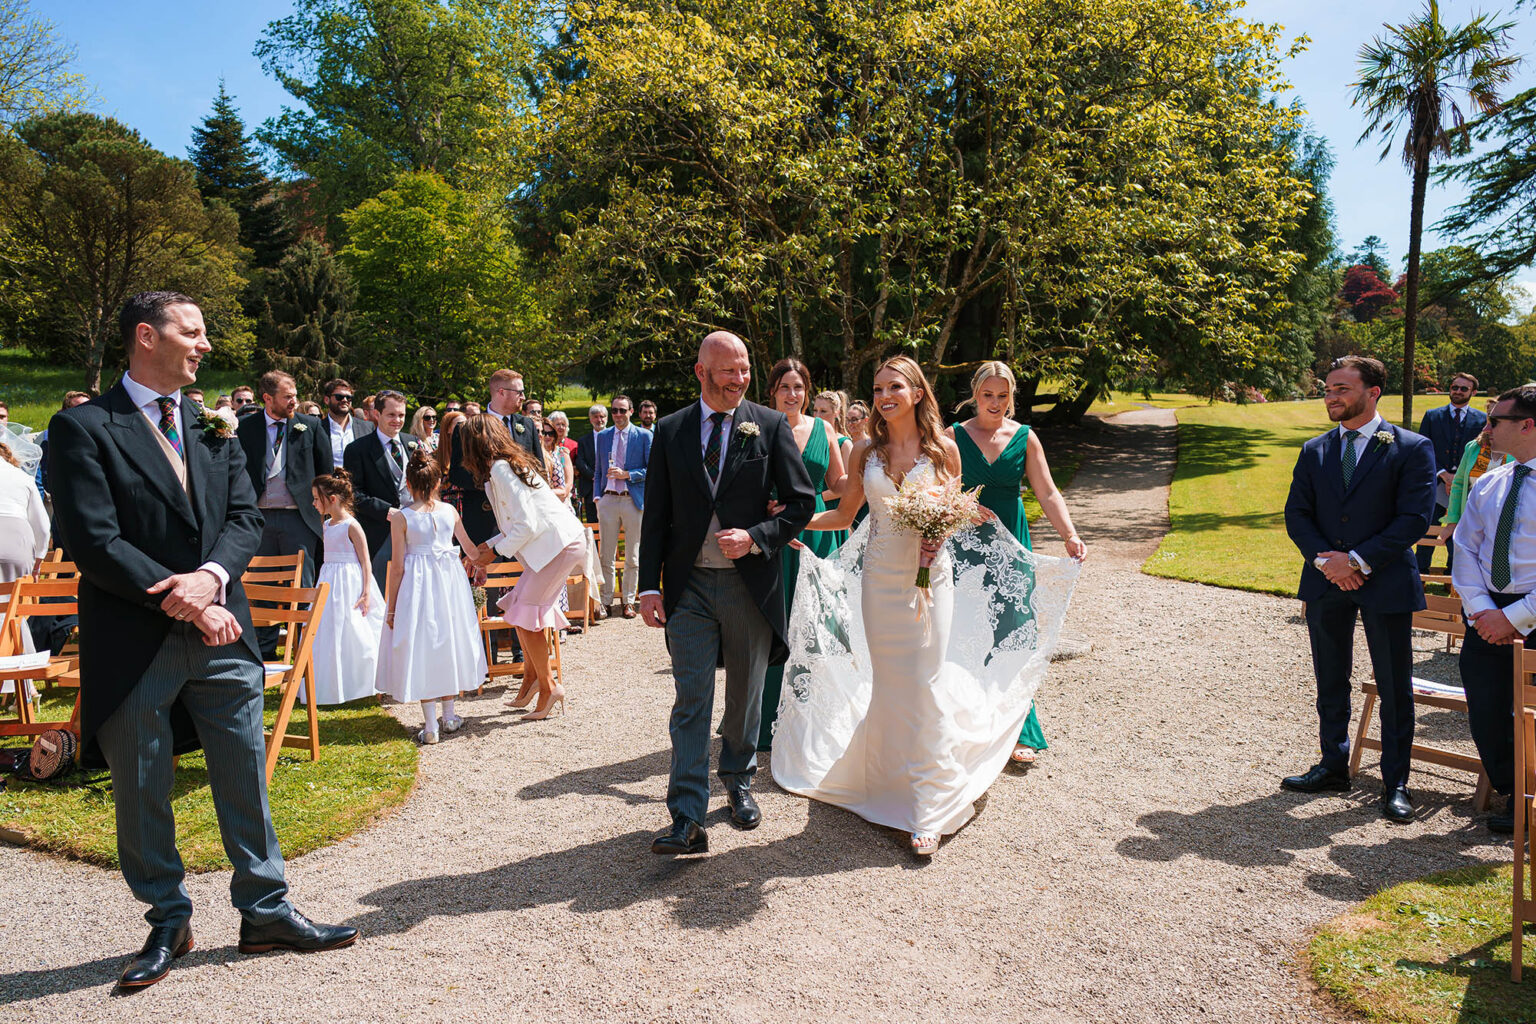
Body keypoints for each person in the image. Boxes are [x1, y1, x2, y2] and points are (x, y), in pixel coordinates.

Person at [48, 291, 355, 991]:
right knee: (143, 782)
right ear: (145, 337)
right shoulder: (84, 428)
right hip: (134, 640)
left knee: (246, 771)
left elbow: (245, 518)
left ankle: (266, 911)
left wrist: (212, 579)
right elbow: (94, 542)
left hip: (224, 628)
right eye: (193, 332)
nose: (206, 344)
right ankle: (167, 918)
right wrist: (182, 599)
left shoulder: (217, 425)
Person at [772, 355, 1080, 856]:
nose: (883, 395)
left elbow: (955, 512)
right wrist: (792, 524)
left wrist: (941, 537)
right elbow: (846, 514)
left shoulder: (945, 450)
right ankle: (887, 782)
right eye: (876, 388)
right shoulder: (864, 451)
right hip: (879, 585)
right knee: (893, 681)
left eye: (895, 386)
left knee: (924, 678)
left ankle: (928, 804)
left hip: (930, 584)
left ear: (917, 392)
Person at [637, 332, 816, 855]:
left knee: (744, 697)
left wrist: (758, 537)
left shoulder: (769, 424)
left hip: (749, 586)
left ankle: (738, 779)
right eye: (727, 371)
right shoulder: (670, 431)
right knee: (690, 700)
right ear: (701, 372)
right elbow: (658, 516)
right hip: (689, 586)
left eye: (743, 370)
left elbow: (801, 502)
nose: (738, 379)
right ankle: (686, 818)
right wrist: (650, 585)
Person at [1281, 355, 1436, 823]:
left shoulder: (1411, 447)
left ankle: (1396, 783)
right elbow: (1297, 515)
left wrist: (1359, 561)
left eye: (1342, 388)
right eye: (1328, 388)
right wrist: (1329, 563)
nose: (1331, 396)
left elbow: (1413, 518)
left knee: (1394, 685)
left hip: (1384, 581)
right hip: (1327, 581)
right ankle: (1333, 765)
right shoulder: (1314, 450)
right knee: (1330, 678)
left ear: (1373, 392)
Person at [947, 361, 1086, 766]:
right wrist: (961, 505)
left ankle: (1018, 730)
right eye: (988, 395)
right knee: (965, 630)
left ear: (1012, 397)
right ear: (975, 394)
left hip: (1012, 542)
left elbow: (1047, 491)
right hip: (964, 544)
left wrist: (1070, 535)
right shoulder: (952, 437)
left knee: (1014, 632)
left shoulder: (1025, 438)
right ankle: (965, 726)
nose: (995, 403)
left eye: (1002, 395)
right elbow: (931, 487)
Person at [1451, 384, 1536, 835]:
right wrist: (1484, 611)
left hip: (1533, 613)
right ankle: (1513, 793)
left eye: (1495, 421)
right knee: (1485, 711)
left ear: (1527, 424)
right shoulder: (1491, 481)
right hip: (1487, 617)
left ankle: (1531, 802)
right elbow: (1465, 548)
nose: (1486, 429)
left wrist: (1516, 617)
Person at [461, 416, 587, 719]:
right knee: (519, 607)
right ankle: (532, 679)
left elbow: (526, 525)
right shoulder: (503, 468)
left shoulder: (502, 470)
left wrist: (492, 553)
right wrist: (484, 549)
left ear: (474, 444)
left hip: (558, 546)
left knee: (524, 613)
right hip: (555, 546)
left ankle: (549, 686)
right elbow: (516, 524)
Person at [757, 360, 845, 750]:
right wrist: (774, 513)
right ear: (772, 391)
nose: (791, 395)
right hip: (776, 541)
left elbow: (839, 484)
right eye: (783, 387)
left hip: (818, 539)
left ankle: (817, 717)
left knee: (819, 626)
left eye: (798, 387)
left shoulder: (824, 429)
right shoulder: (758, 427)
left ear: (807, 391)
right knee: (777, 627)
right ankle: (764, 724)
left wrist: (868, 461)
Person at [375, 450, 486, 744]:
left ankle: (431, 725)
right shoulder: (450, 511)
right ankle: (448, 716)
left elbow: (397, 567)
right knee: (446, 642)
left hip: (418, 586)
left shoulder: (402, 517)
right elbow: (471, 551)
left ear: (408, 484)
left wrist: (392, 608)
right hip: (449, 585)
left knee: (422, 645)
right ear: (437, 482)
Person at [236, 371, 332, 659]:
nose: (295, 401)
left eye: (295, 395)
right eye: (287, 396)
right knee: (260, 588)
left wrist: (324, 515)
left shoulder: (311, 426)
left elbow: (324, 470)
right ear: (267, 398)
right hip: (259, 518)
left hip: (298, 518)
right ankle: (263, 658)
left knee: (301, 587)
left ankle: (305, 660)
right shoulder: (245, 427)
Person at [306, 471, 385, 705]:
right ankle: (329, 683)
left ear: (332, 499)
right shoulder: (327, 524)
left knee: (353, 629)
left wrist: (366, 591)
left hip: (350, 581)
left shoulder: (352, 525)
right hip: (329, 579)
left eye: (316, 498)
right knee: (328, 629)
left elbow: (365, 560)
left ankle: (360, 681)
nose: (313, 503)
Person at [449, 369, 540, 547]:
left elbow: (539, 468)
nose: (523, 397)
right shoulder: (468, 429)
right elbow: (457, 474)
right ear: (501, 392)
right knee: (490, 574)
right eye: (519, 392)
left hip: (523, 519)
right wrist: (491, 484)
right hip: (484, 517)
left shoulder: (526, 425)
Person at [344, 391, 421, 589]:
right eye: (391, 415)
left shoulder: (412, 443)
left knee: (412, 588)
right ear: (377, 415)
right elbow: (353, 493)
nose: (397, 420)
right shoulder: (357, 449)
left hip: (415, 531)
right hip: (378, 532)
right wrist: (386, 511)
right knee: (379, 589)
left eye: (402, 415)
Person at [1417, 373, 1486, 572]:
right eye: (1454, 387)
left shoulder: (1482, 420)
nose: (1457, 391)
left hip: (1466, 488)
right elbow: (1423, 449)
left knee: (1460, 534)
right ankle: (1420, 574)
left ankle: (1452, 576)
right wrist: (1443, 474)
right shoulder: (1432, 416)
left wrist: (1459, 478)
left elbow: (1482, 453)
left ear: (1473, 392)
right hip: (1435, 484)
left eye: (1463, 388)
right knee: (1426, 532)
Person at [595, 394, 653, 618]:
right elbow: (599, 470)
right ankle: (606, 601)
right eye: (614, 411)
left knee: (633, 555)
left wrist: (627, 474)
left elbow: (652, 470)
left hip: (632, 499)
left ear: (631, 412)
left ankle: (629, 601)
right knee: (606, 556)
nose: (618, 415)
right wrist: (598, 498)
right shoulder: (603, 436)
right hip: (608, 499)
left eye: (622, 410)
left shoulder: (644, 436)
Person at [0, 437, 48, 582]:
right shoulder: (23, 478)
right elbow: (43, 528)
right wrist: (37, 563)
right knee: (16, 598)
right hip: (17, 541)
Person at [320, 378, 374, 464]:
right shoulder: (318, 428)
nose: (345, 400)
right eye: (339, 397)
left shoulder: (367, 427)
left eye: (349, 397)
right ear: (327, 400)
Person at [572, 404, 606, 525]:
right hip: (590, 488)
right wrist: (594, 476)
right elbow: (580, 462)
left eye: (602, 416)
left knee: (610, 523)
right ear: (591, 419)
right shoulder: (583, 440)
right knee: (593, 523)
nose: (599, 420)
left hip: (609, 487)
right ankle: (595, 545)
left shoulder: (614, 438)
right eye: (595, 417)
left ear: (606, 418)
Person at [540, 417, 578, 514]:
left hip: (561, 502)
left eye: (551, 433)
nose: (547, 436)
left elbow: (568, 484)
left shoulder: (562, 453)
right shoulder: (534, 454)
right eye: (544, 433)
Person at [436, 410, 468, 513]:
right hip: (444, 510)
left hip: (469, 508)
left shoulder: (470, 455)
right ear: (448, 429)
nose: (464, 428)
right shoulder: (434, 458)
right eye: (459, 424)